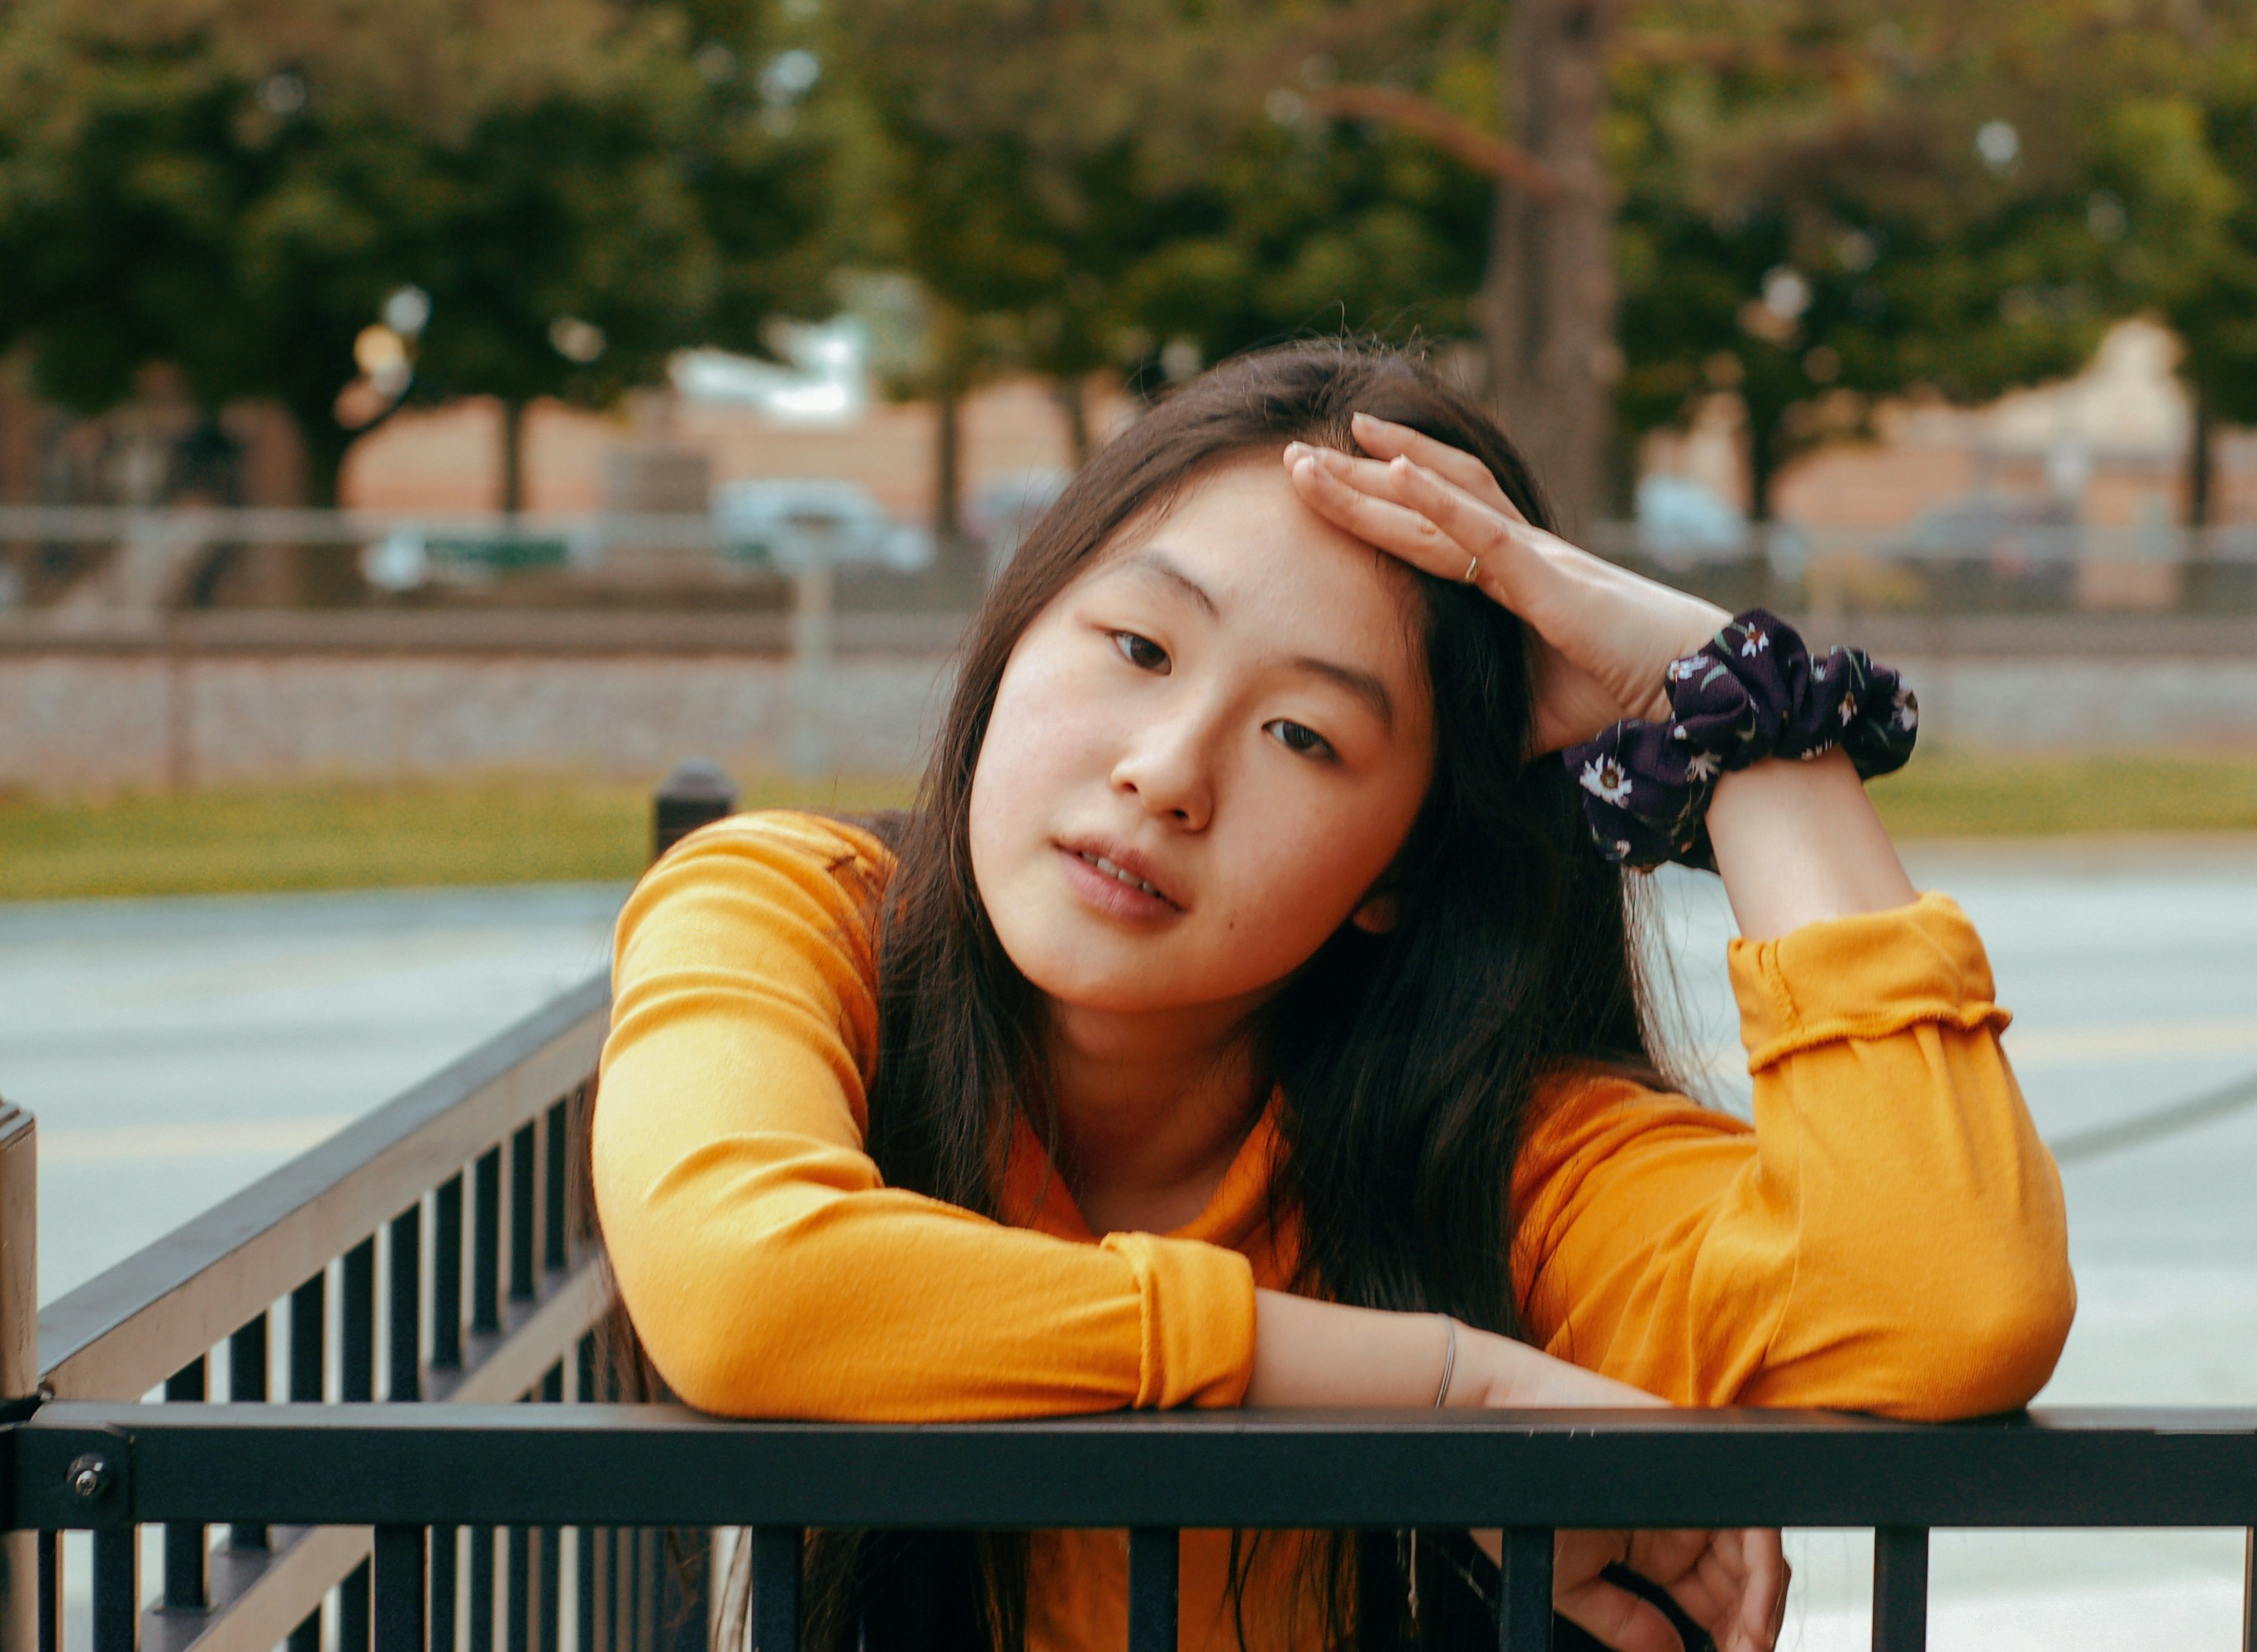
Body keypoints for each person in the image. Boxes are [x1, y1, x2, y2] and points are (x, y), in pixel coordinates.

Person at [591, 341, 2076, 1652]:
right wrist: (1446, 1388)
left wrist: (1739, 717)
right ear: (1016, 631)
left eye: (1304, 736)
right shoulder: (796, 911)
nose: (1168, 772)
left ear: (1399, 870)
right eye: (1135, 647)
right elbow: (748, 1287)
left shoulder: (1507, 1163)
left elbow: (1950, 1302)